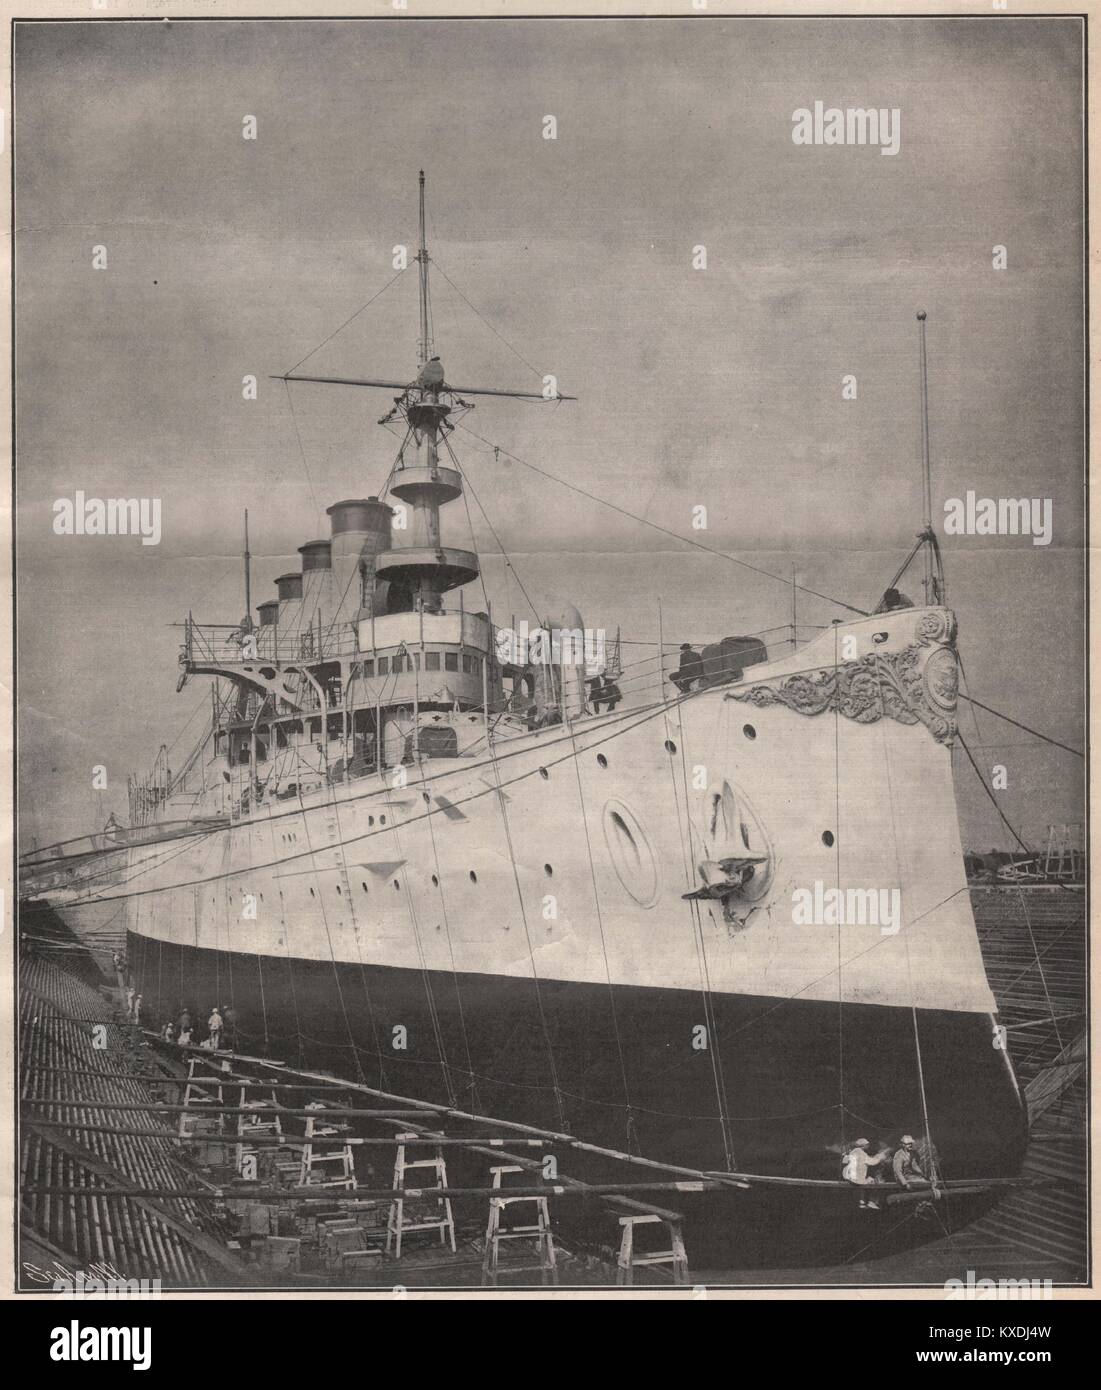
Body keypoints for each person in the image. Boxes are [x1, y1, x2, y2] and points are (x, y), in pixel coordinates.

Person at [841, 1138, 889, 1209]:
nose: (868, 1146)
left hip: (848, 1177)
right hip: (856, 1180)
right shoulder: (863, 1154)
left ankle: (862, 1202)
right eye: (867, 1145)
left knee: (863, 1181)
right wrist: (880, 1158)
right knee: (873, 1181)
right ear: (864, 1146)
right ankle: (872, 1202)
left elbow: (844, 1161)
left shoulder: (853, 1152)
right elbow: (873, 1162)